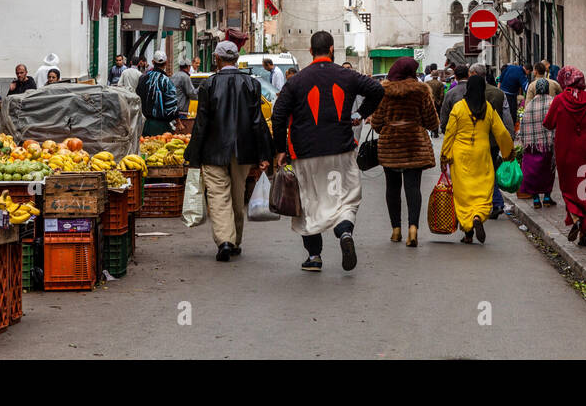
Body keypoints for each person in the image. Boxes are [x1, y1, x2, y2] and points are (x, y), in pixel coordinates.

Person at [270, 30, 384, 272]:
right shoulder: (348, 75)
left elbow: (278, 116)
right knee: (346, 199)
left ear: (311, 51)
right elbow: (377, 90)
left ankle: (314, 257)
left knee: (309, 204)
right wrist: (360, 114)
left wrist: (280, 149)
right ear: (332, 49)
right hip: (341, 151)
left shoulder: (295, 82)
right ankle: (344, 233)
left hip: (305, 153)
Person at [186, 41, 273, 261]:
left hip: (213, 151)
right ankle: (234, 241)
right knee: (237, 195)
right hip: (243, 151)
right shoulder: (251, 84)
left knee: (217, 196)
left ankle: (225, 240)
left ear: (217, 58)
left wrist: (193, 156)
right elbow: (257, 121)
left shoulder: (209, 85)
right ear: (235, 59)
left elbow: (201, 123)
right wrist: (265, 154)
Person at [368, 57, 438, 247]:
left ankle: (396, 230)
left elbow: (376, 123)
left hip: (391, 146)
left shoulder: (384, 92)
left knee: (392, 188)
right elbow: (432, 122)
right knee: (413, 188)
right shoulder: (421, 92)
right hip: (414, 144)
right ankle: (413, 229)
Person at [441, 74, 513, 244]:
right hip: (482, 154)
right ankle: (478, 216)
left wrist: (445, 156)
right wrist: (508, 151)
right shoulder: (487, 108)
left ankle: (468, 229)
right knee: (482, 190)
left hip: (461, 156)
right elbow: (501, 132)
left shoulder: (459, 108)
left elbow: (450, 134)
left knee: (464, 193)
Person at [547, 65, 586, 247]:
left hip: (566, 153)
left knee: (569, 190)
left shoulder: (559, 100)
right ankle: (585, 231)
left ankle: (576, 218)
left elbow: (548, 123)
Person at [517, 76, 560, 208]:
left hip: (532, 146)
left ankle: (536, 199)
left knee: (533, 173)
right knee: (548, 172)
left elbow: (523, 125)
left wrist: (523, 141)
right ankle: (547, 197)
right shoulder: (552, 102)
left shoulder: (530, 105)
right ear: (547, 89)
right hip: (548, 145)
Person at [136, 50, 178, 135]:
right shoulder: (166, 81)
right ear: (166, 63)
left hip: (145, 124)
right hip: (162, 127)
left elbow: (137, 98)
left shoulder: (143, 78)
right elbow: (172, 106)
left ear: (152, 62)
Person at [499, 60, 528, 126]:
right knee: (512, 112)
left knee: (505, 111)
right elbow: (525, 87)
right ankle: (512, 127)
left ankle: (505, 125)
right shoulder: (521, 73)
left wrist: (499, 90)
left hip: (503, 92)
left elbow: (501, 78)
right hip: (511, 94)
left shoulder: (510, 67)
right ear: (527, 70)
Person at [423, 66, 446, 133]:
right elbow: (442, 95)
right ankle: (436, 131)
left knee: (430, 115)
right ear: (437, 75)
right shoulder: (440, 84)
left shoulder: (427, 83)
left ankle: (431, 130)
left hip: (429, 101)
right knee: (437, 115)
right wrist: (440, 102)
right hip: (437, 102)